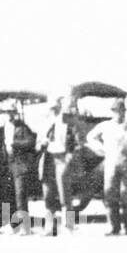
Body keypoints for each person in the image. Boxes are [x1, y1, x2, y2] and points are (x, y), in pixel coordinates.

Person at [85, 98, 127, 236]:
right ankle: (114, 227)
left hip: (126, 164)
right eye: (115, 111)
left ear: (125, 112)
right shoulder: (105, 126)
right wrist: (101, 149)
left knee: (126, 196)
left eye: (121, 110)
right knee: (110, 195)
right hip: (110, 164)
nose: (118, 113)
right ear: (112, 112)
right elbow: (90, 137)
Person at [37, 98, 74, 236]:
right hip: (47, 159)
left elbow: (73, 145)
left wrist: (67, 159)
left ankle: (69, 227)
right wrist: (42, 143)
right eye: (51, 109)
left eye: (56, 108)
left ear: (60, 108)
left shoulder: (66, 125)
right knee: (48, 195)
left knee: (65, 195)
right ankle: (49, 227)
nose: (54, 111)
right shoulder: (43, 125)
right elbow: (37, 146)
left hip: (61, 159)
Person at [3, 106, 38, 234]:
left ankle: (25, 226)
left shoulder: (23, 127)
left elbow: (30, 142)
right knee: (8, 195)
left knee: (20, 195)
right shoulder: (3, 128)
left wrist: (14, 144)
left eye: (11, 113)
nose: (9, 115)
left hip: (20, 164)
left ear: (15, 113)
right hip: (7, 164)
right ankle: (12, 224)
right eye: (6, 113)